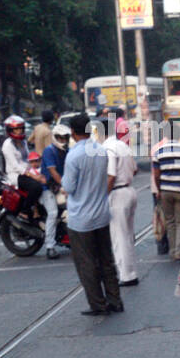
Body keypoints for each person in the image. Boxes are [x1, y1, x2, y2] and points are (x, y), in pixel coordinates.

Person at [61, 113, 123, 316]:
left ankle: (98, 304)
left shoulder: (74, 155)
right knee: (107, 260)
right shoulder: (100, 150)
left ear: (72, 132)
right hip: (101, 214)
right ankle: (115, 300)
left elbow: (68, 186)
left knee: (87, 263)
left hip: (81, 219)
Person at [105, 115, 139, 286]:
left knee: (119, 237)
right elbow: (135, 169)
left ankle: (126, 275)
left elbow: (110, 175)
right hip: (130, 190)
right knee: (128, 235)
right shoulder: (122, 146)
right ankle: (131, 271)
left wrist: (103, 195)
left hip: (117, 193)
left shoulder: (108, 148)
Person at [152, 132, 180, 262]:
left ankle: (173, 251)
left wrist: (159, 190)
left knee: (170, 222)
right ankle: (179, 252)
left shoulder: (159, 151)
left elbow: (156, 175)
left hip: (165, 191)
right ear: (179, 134)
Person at [39, 123, 69, 259]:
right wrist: (65, 185)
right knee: (53, 213)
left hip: (61, 187)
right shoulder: (49, 151)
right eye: (60, 138)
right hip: (49, 188)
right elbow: (53, 172)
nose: (63, 140)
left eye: (65, 138)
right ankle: (50, 246)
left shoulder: (66, 151)